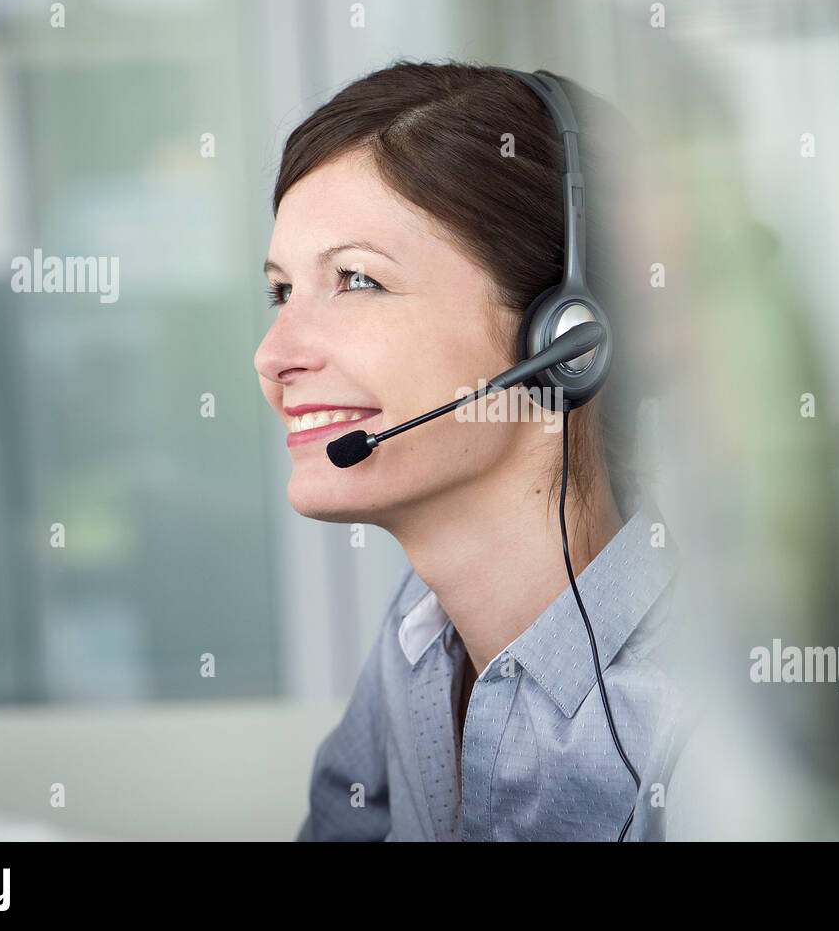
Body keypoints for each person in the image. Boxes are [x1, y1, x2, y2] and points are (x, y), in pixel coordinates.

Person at [253, 60, 685, 840]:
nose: (275, 355)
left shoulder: (702, 725)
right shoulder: (418, 638)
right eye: (282, 291)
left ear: (562, 338)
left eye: (355, 279)